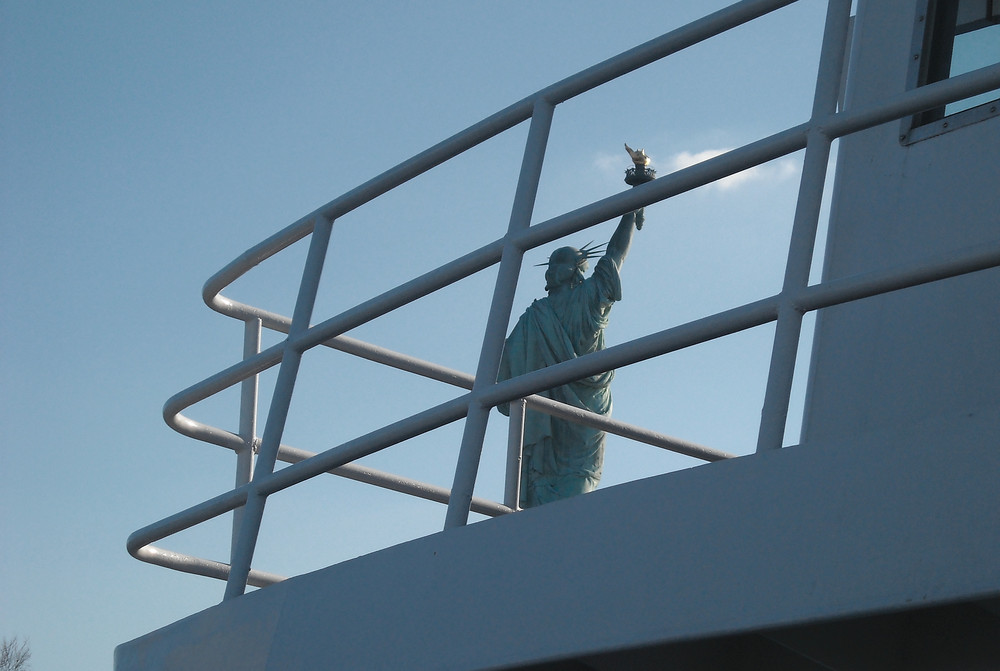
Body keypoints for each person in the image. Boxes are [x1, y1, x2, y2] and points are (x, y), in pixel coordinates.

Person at [498, 208, 643, 508]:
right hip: (550, 410)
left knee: (578, 486)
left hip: (585, 410)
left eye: (557, 263)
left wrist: (629, 214)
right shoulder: (533, 317)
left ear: (576, 269)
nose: (549, 270)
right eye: (549, 265)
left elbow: (614, 256)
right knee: (544, 489)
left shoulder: (589, 299)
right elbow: (505, 364)